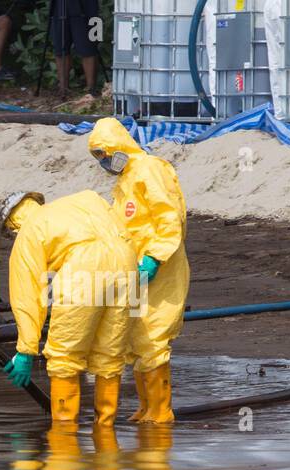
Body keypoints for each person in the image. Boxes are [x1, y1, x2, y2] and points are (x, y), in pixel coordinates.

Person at [0, 190, 136, 428]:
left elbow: (27, 294)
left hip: (84, 270)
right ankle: (106, 433)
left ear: (13, 223)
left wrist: (26, 349)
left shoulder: (30, 230)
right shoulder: (87, 199)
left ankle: (64, 437)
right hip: (128, 264)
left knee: (65, 357)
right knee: (111, 354)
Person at [86, 117, 189, 424]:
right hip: (135, 272)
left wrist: (155, 258)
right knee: (136, 339)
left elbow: (169, 218)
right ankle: (147, 407)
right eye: (99, 158)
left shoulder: (149, 169)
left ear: (119, 145)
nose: (105, 162)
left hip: (161, 269)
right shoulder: (124, 182)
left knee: (154, 335)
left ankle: (161, 410)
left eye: (105, 154)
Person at [50, 0, 101, 98]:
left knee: (88, 47)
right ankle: (63, 87)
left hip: (85, 6)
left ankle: (91, 89)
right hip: (60, 5)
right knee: (60, 47)